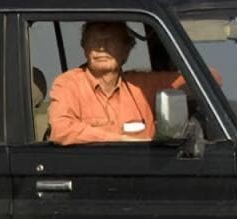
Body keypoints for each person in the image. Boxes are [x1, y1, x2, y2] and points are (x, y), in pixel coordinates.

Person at [46, 20, 191, 145]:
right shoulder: (68, 84)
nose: (101, 47)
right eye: (94, 40)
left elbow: (203, 80)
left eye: (110, 40)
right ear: (84, 48)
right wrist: (118, 140)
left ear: (126, 49)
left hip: (142, 171)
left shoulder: (142, 84)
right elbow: (61, 130)